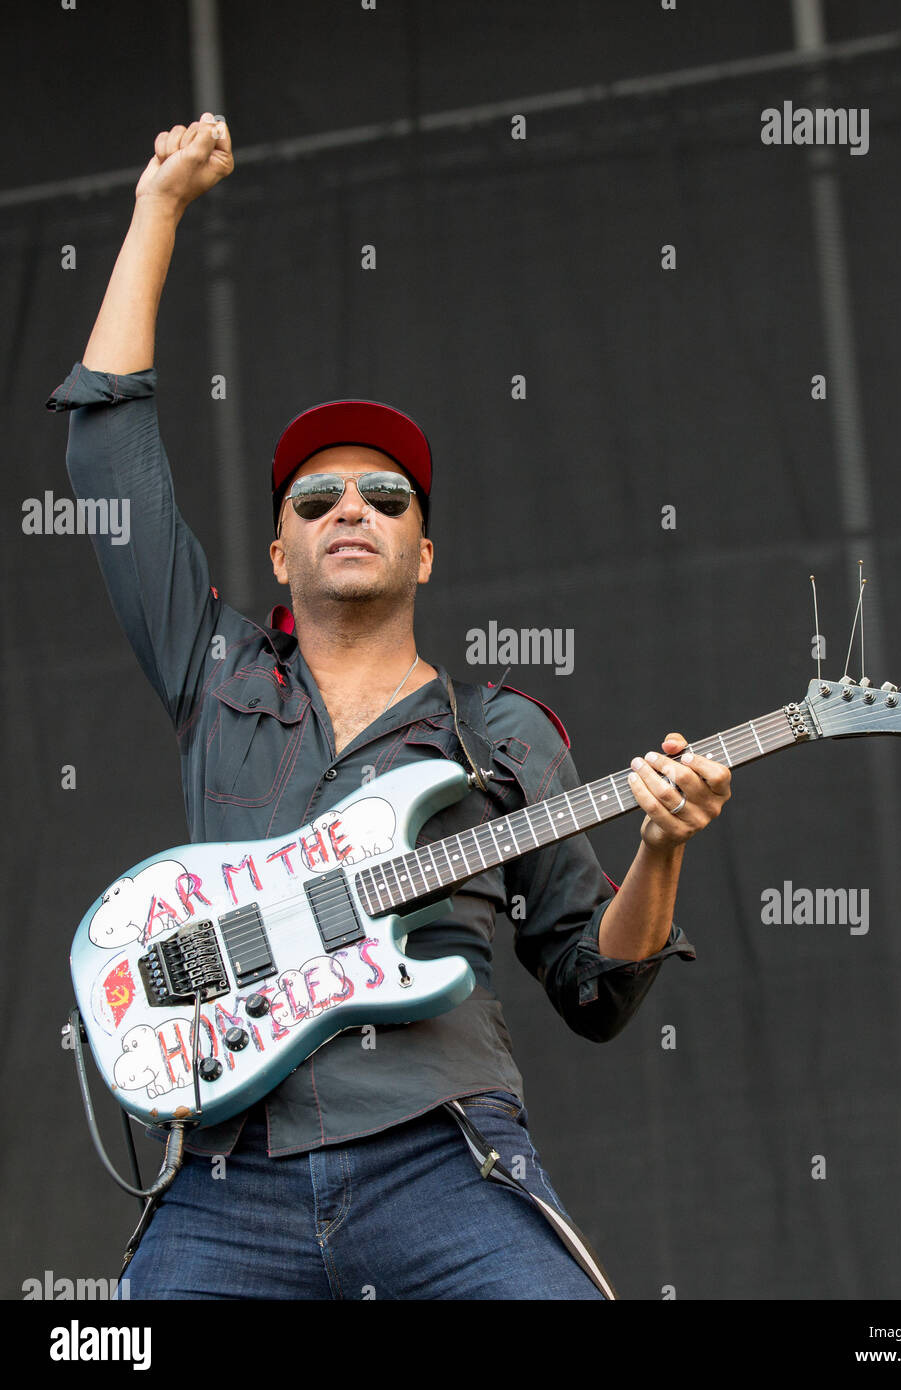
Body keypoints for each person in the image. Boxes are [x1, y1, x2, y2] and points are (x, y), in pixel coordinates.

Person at [47, 114, 732, 1301]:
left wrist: (659, 851)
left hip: (444, 1154)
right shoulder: (214, 671)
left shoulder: (502, 736)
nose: (347, 507)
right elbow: (108, 453)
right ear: (277, 549)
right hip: (224, 1171)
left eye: (383, 493)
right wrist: (155, 208)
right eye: (315, 497)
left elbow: (591, 984)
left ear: (424, 550)